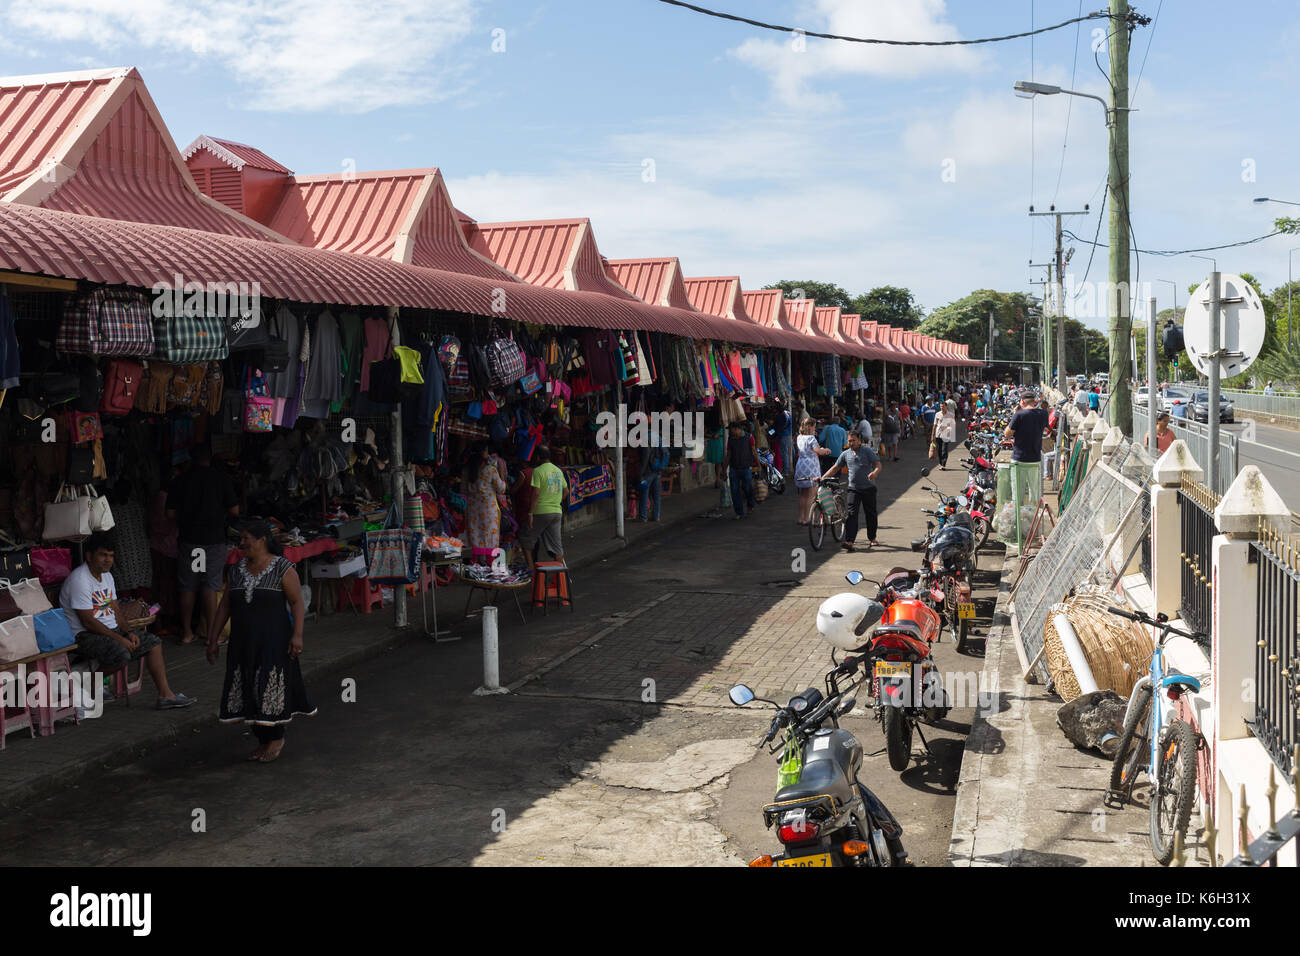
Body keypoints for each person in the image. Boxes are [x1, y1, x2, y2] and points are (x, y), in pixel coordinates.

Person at [206, 521, 314, 763]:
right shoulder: (235, 570)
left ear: (262, 540)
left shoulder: (283, 568)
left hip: (273, 642)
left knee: (268, 687)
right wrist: (212, 639)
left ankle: (276, 737)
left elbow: (296, 603)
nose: (241, 543)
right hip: (242, 642)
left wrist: (298, 635)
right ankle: (262, 739)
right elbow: (225, 606)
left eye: (246, 539)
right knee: (247, 688)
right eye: (240, 539)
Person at [61, 533, 196, 710]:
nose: (108, 560)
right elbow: (88, 622)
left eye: (111, 556)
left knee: (153, 643)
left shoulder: (107, 576)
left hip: (109, 632)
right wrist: (120, 639)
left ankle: (166, 696)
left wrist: (128, 632)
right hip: (84, 635)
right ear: (89, 555)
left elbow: (116, 611)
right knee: (121, 654)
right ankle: (83, 686)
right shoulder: (79, 580)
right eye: (103, 555)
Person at [165, 444, 239, 645]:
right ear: (210, 458)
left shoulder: (181, 480)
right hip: (213, 540)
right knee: (210, 584)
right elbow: (234, 510)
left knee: (188, 585)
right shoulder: (221, 479)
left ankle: (188, 633)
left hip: (190, 541)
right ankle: (212, 636)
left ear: (190, 458)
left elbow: (170, 514)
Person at [820, 431, 881, 552]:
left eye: (853, 440)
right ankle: (849, 541)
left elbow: (878, 464)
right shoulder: (845, 454)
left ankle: (872, 538)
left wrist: (875, 473)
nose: (851, 443)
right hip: (853, 489)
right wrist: (823, 477)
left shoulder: (867, 451)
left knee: (871, 514)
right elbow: (835, 468)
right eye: (849, 441)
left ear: (859, 440)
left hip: (869, 488)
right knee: (852, 514)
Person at [518, 446, 568, 571]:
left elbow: (535, 493)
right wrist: (556, 501)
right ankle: (559, 577)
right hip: (556, 512)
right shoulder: (558, 471)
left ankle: (530, 569)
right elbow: (566, 491)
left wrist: (530, 514)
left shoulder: (538, 471)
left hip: (541, 512)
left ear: (538, 457)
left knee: (525, 538)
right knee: (557, 547)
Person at [466, 442, 508, 563]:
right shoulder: (490, 470)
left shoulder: (468, 471)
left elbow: (463, 489)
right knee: (489, 535)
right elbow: (501, 488)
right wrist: (503, 478)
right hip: (488, 510)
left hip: (473, 508)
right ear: (483, 453)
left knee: (475, 534)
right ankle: (488, 564)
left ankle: (475, 564)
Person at [794, 417, 830, 526]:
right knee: (811, 494)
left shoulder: (799, 437)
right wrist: (826, 451)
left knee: (803, 494)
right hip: (811, 467)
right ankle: (807, 519)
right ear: (810, 427)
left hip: (801, 465)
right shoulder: (811, 438)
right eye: (814, 426)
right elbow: (818, 451)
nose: (815, 428)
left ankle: (800, 518)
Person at [1005, 389, 1051, 464]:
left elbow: (1007, 434)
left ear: (1022, 401)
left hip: (1019, 458)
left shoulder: (1019, 415)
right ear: (1034, 401)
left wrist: (1014, 415)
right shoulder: (1044, 414)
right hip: (1036, 459)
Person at [724, 420, 758, 519]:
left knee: (747, 488)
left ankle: (750, 504)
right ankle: (739, 512)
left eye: (730, 430)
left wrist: (758, 465)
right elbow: (728, 455)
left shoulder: (749, 437)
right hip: (734, 468)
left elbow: (753, 451)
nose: (729, 432)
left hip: (746, 468)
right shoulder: (730, 439)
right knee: (734, 491)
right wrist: (724, 470)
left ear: (737, 429)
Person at [636, 430, 668, 524]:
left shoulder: (645, 443)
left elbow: (645, 459)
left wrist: (640, 474)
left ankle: (643, 517)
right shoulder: (657, 439)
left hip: (648, 472)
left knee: (644, 494)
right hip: (657, 470)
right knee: (656, 495)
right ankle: (656, 516)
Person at [931, 399, 957, 469]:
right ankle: (940, 463)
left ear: (946, 407)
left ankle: (943, 464)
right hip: (938, 434)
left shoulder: (950, 415)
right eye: (941, 407)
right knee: (939, 449)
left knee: (944, 449)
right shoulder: (937, 414)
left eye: (943, 406)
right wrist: (932, 435)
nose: (942, 408)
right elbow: (935, 425)